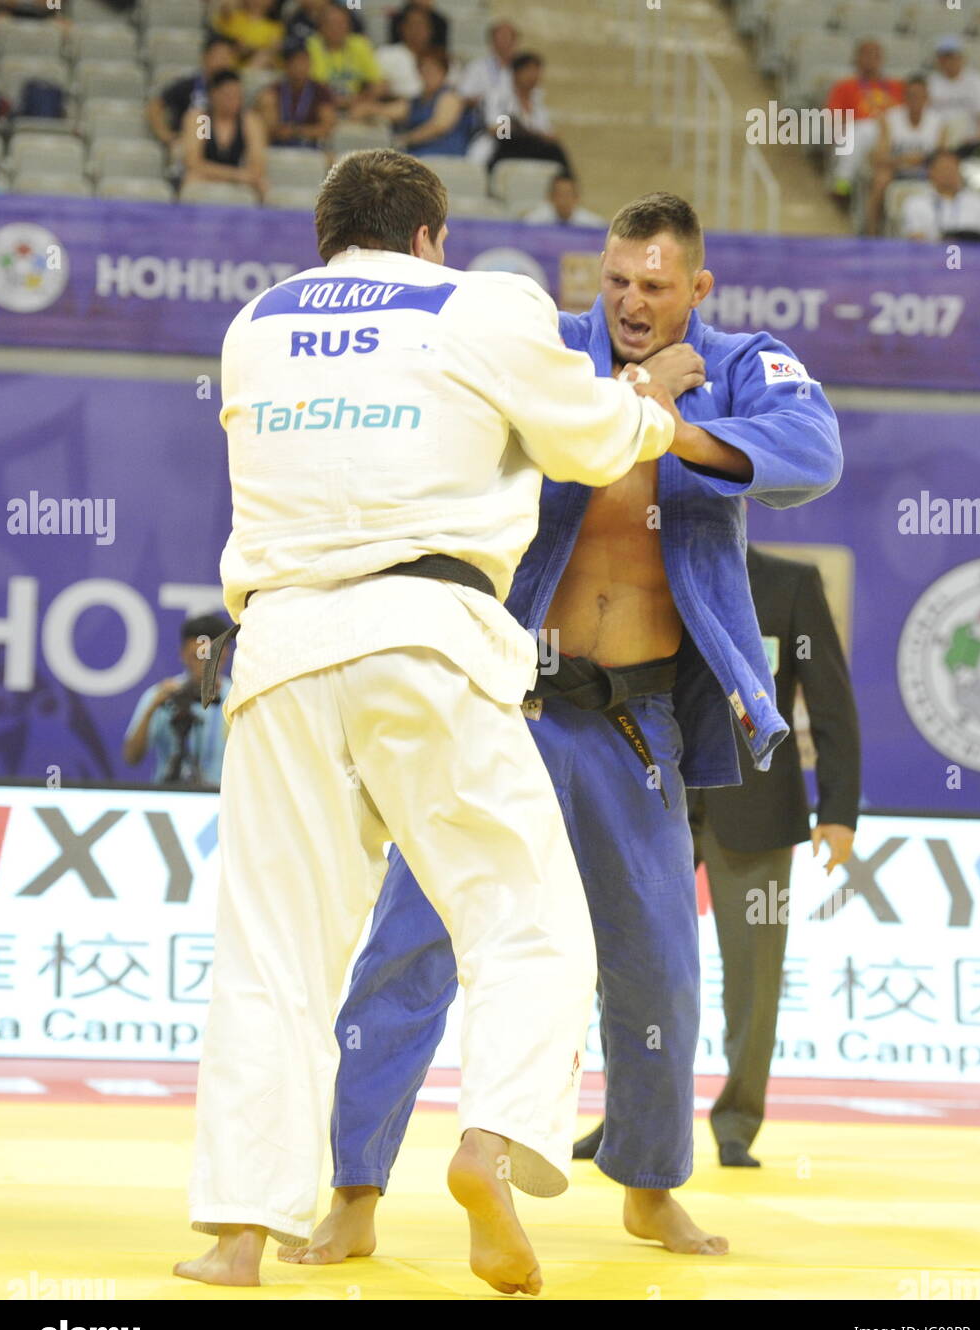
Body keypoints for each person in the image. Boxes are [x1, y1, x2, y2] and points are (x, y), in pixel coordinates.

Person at [280, 191, 842, 1270]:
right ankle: (353, 1188)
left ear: (699, 289)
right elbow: (524, 451)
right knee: (412, 943)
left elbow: (813, 453)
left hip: (637, 726)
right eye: (618, 282)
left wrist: (670, 422)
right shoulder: (538, 347)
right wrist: (627, 398)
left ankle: (647, 1183)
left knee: (658, 967)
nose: (632, 302)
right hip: (503, 703)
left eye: (656, 286)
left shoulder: (741, 363)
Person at [174, 150, 681, 1293]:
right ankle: (487, 1139)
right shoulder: (481, 302)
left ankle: (236, 1236)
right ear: (430, 236)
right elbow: (591, 440)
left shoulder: (254, 325)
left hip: (284, 649)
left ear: (326, 235)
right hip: (427, 636)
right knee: (525, 915)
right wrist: (654, 400)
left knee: (271, 951)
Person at [575, 544, 861, 1168]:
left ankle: (738, 1121)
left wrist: (838, 810)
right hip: (650, 796)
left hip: (758, 807)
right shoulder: (648, 570)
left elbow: (830, 700)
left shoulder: (790, 584)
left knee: (754, 978)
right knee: (629, 967)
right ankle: (627, 1120)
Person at [122, 615, 231, 787]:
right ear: (183, 654)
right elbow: (132, 757)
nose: (205, 666)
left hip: (224, 800)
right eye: (197, 657)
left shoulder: (238, 699)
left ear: (225, 654)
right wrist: (152, 709)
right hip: (169, 797)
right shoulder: (161, 696)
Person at [865, 74, 946, 237]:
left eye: (920, 96)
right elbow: (879, 156)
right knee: (880, 179)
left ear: (926, 98)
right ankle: (871, 232)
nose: (915, 100)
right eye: (911, 95)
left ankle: (941, 229)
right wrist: (909, 160)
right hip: (897, 170)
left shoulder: (938, 122)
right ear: (904, 97)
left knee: (947, 178)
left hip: (927, 171)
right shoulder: (890, 119)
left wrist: (916, 160)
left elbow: (940, 157)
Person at [825, 40, 904, 201]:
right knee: (859, 131)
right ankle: (843, 183)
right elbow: (835, 118)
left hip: (892, 135)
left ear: (882, 59)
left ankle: (844, 179)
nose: (870, 59)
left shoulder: (897, 86)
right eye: (866, 55)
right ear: (857, 59)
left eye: (875, 55)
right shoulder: (844, 86)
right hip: (859, 133)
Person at [181, 69, 269, 201]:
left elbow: (258, 165)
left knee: (262, 184)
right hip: (207, 175)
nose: (234, 101)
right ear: (213, 95)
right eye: (228, 96)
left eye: (238, 96)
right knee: (191, 179)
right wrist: (235, 175)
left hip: (237, 177)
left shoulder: (248, 121)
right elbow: (194, 162)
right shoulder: (203, 120)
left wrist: (243, 176)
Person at [147, 35, 239, 153]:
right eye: (219, 55)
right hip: (188, 145)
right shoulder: (188, 86)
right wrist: (166, 135)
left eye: (227, 56)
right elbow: (155, 105)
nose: (223, 61)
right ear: (206, 57)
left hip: (222, 148)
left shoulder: (234, 90)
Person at [900, 148, 980, 242]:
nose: (949, 173)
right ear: (931, 172)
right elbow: (915, 238)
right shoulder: (916, 203)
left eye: (953, 168)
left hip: (971, 257)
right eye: (944, 168)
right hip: (931, 257)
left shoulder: (978, 202)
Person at [926, 36, 980, 159]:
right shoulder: (929, 83)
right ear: (938, 59)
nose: (949, 60)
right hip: (937, 144)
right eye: (944, 56)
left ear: (962, 57)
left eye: (952, 56)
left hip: (970, 144)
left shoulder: (979, 82)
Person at [306, 2, 384, 115]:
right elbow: (315, 86)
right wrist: (339, 102)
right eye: (331, 24)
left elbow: (378, 83)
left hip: (357, 104)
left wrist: (359, 99)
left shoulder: (359, 44)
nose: (336, 28)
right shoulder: (311, 45)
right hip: (324, 106)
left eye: (341, 23)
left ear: (349, 26)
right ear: (320, 27)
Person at [257, 37, 336, 147]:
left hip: (310, 146)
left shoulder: (321, 91)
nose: (299, 66)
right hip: (278, 145)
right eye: (294, 61)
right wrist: (277, 130)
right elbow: (267, 126)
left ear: (310, 63)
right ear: (286, 65)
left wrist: (296, 131)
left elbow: (327, 127)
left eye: (303, 60)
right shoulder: (273, 91)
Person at [386, 49, 467, 157]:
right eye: (425, 70)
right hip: (415, 154)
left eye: (434, 70)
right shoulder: (416, 101)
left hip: (443, 154)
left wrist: (406, 139)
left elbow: (439, 126)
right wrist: (368, 109)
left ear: (444, 73)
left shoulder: (450, 97)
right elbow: (392, 111)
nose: (429, 75)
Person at [375, 2, 435, 101]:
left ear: (430, 30)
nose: (417, 30)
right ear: (402, 28)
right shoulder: (386, 54)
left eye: (422, 25)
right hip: (395, 106)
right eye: (413, 25)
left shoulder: (441, 58)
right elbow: (377, 90)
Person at [459, 18, 518, 111]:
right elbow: (463, 95)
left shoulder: (520, 69)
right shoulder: (476, 67)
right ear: (492, 41)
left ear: (515, 42)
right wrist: (485, 100)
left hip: (513, 120)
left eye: (508, 37)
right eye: (501, 37)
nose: (504, 41)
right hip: (485, 119)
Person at [214, 0, 285, 69]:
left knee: (264, 56)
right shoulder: (231, 17)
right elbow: (220, 39)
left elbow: (274, 52)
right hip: (231, 62)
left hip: (258, 67)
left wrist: (251, 50)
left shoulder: (276, 27)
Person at [523, 172, 606, 226]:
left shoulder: (592, 225)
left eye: (568, 194)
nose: (563, 200)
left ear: (577, 197)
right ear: (550, 197)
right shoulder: (534, 222)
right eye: (559, 195)